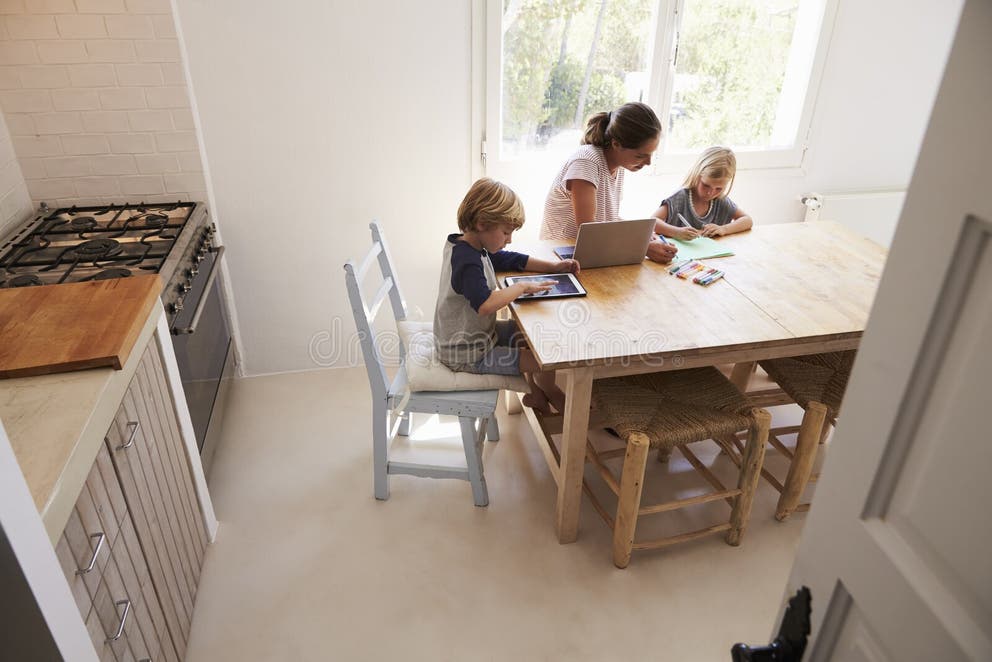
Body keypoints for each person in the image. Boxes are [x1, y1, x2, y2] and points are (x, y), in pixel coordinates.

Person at [434, 177, 579, 415]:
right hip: (468, 354)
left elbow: (509, 259)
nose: (509, 239)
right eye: (506, 232)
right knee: (545, 359)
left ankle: (537, 394)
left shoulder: (469, 246)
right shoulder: (467, 260)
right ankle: (548, 391)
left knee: (535, 337)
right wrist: (520, 288)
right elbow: (485, 305)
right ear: (482, 223)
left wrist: (553, 267)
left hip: (475, 337)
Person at [541, 101, 677, 264]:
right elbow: (589, 231)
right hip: (560, 257)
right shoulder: (587, 161)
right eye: (640, 156)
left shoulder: (617, 165)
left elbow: (606, 221)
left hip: (590, 254)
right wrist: (643, 247)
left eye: (651, 155)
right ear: (616, 144)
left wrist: (643, 237)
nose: (648, 162)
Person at [653, 146, 753, 240]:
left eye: (719, 188)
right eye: (706, 185)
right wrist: (676, 232)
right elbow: (653, 221)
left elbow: (747, 220)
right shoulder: (680, 198)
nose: (711, 193)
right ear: (697, 174)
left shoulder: (720, 200)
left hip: (713, 257)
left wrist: (724, 229)